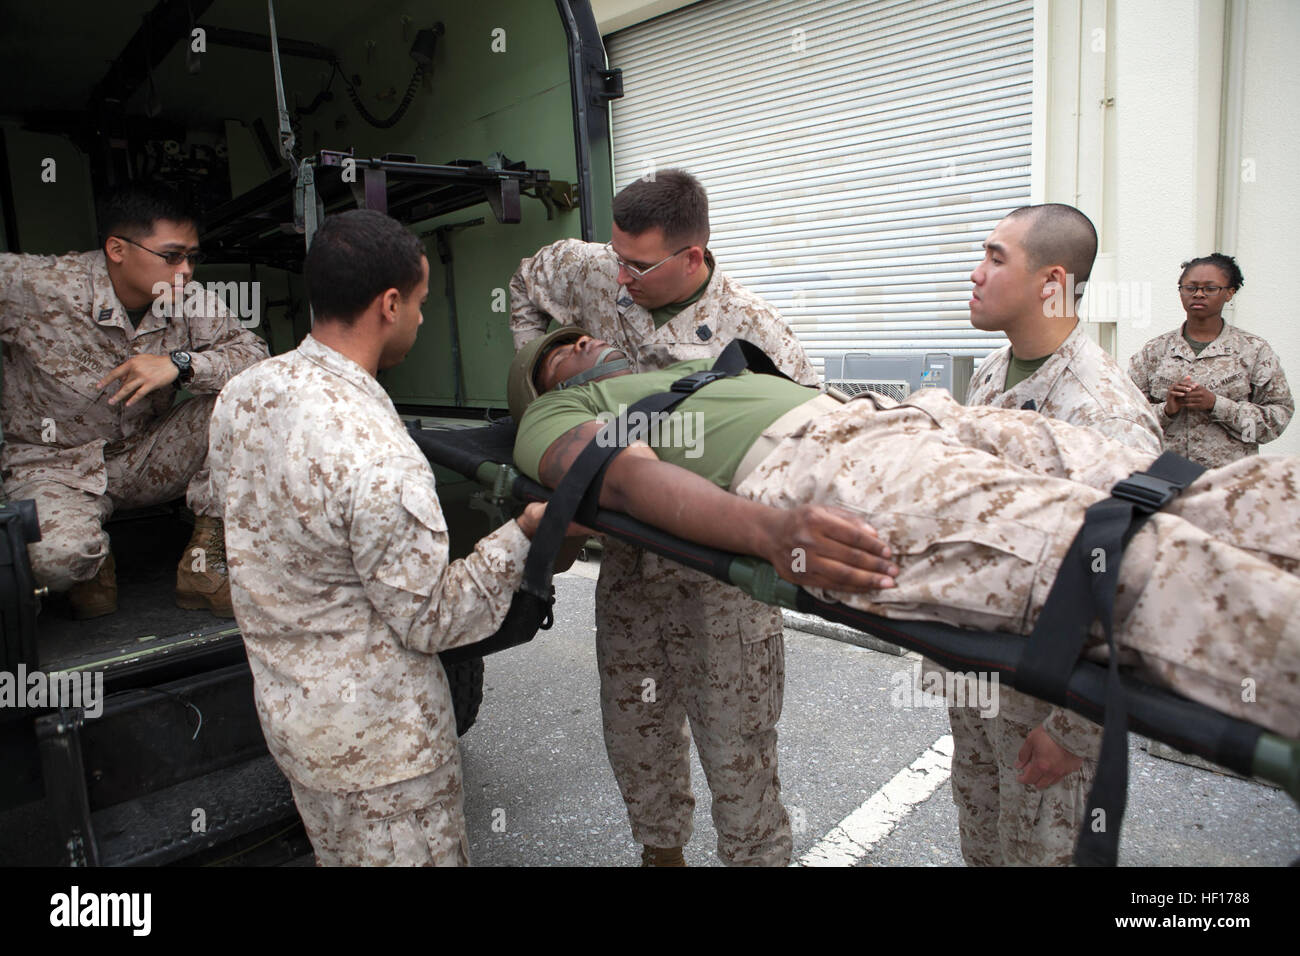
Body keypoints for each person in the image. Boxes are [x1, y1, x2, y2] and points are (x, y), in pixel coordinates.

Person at [508, 333, 1300, 746]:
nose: (580, 347)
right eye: (557, 356)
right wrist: (768, 533)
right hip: (821, 467)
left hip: (900, 416)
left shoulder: (705, 369)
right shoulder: (558, 416)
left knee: (1184, 488)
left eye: (580, 340)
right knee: (1114, 558)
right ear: (542, 390)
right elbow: (618, 478)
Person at [208, 209, 557, 866]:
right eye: (421, 303)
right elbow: (434, 618)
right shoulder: (379, 457)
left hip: (297, 727)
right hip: (386, 760)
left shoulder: (247, 392)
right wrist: (525, 535)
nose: (423, 320)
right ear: (389, 304)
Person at [509, 169, 818, 866]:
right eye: (616, 259)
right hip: (627, 562)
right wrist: (539, 378)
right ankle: (660, 854)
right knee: (636, 729)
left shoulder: (759, 336)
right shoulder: (595, 272)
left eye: (638, 267)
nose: (619, 280)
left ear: (693, 258)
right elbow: (528, 280)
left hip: (720, 583)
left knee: (738, 752)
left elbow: (800, 456)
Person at [932, 204, 1163, 866]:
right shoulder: (990, 373)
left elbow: (1136, 580)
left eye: (996, 257)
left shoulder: (1104, 410)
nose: (975, 274)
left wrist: (1075, 730)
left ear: (1051, 280)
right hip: (979, 674)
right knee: (983, 845)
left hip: (1050, 699)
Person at [0, 182, 269, 618]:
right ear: (117, 249)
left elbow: (256, 359)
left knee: (254, 403)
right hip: (54, 468)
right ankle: (91, 560)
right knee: (58, 561)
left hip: (146, 456)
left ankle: (205, 562)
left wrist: (180, 364)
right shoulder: (35, 287)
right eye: (172, 255)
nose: (186, 270)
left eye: (192, 257)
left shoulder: (188, 300)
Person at [1129, 253, 1292, 467]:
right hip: (1166, 480)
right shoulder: (1154, 352)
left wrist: (1217, 405)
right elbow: (1127, 419)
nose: (1199, 294)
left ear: (1230, 293)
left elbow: (1276, 420)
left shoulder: (1254, 350)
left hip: (1229, 482)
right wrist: (1166, 410)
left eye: (1210, 288)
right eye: (1190, 287)